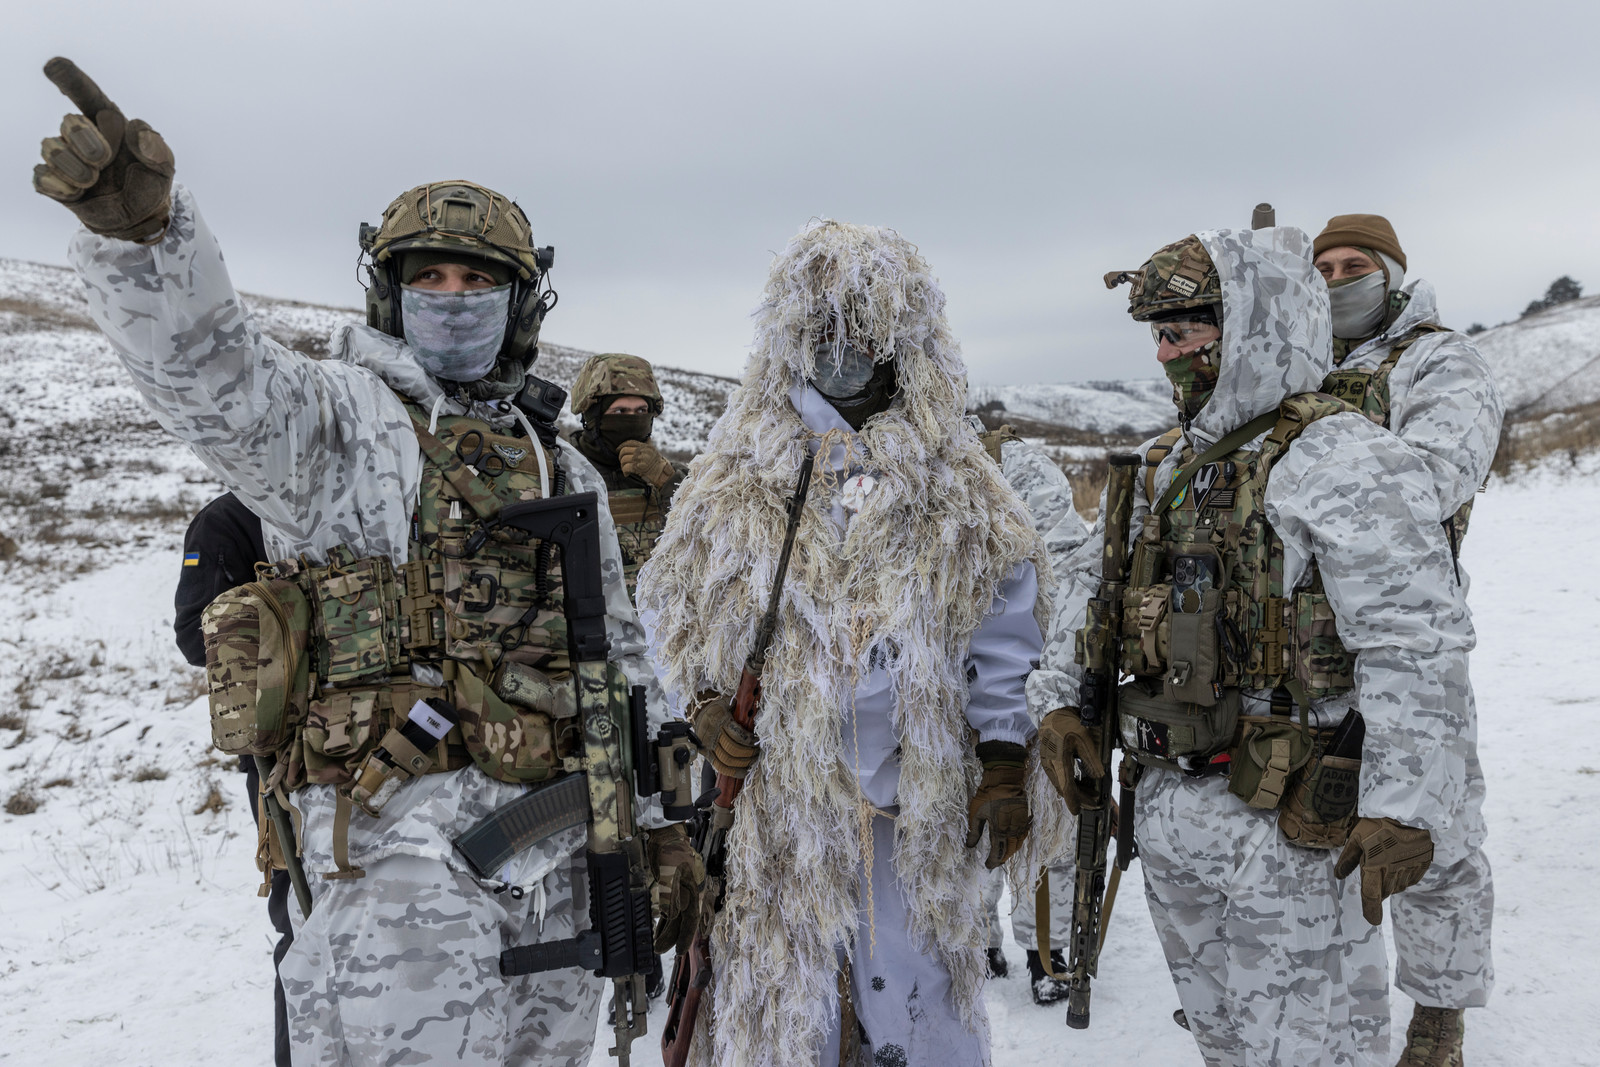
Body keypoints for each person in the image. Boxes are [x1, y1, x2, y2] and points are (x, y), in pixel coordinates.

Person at [33, 58, 697, 1067]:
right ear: (387, 293)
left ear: (523, 303)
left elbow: (621, 658)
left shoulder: (558, 462)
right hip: (395, 867)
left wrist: (651, 822)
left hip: (562, 854)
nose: (453, 297)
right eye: (427, 276)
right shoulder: (330, 424)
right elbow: (206, 367)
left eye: (479, 281)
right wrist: (144, 241)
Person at [1033, 225, 1475, 1066]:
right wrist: (1059, 701)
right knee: (1224, 1044)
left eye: (1185, 331)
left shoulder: (1341, 458)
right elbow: (1096, 593)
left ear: (1252, 330)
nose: (1167, 354)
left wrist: (1406, 804)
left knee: (1315, 1052)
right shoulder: (1169, 467)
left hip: (1290, 830)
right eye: (1158, 334)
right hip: (1170, 810)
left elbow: (1417, 640)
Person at [637, 220, 1072, 1066]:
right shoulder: (738, 473)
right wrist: (701, 703)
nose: (843, 353)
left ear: (901, 340)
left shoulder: (957, 480)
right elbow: (668, 610)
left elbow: (1004, 632)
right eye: (823, 333)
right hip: (780, 822)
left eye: (862, 334)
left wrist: (1005, 755)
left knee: (921, 1015)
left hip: (913, 821)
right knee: (785, 1014)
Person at [1313, 214, 1502, 1067]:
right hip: (1309, 644)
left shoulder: (1438, 360)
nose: (1336, 279)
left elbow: (1431, 479)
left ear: (1391, 273)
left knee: (1436, 830)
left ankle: (1439, 1009)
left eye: (1355, 265)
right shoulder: (1298, 363)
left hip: (1408, 628)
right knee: (1311, 819)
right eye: (1322, 267)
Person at [969, 416, 1088, 1002]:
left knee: (1048, 824)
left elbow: (1066, 562)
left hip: (1035, 674)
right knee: (967, 820)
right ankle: (979, 938)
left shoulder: (1017, 467)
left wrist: (1061, 665)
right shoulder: (910, 464)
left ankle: (1047, 949)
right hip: (952, 689)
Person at [174, 493, 288, 1067]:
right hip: (282, 759)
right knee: (304, 924)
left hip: (386, 742)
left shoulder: (355, 499)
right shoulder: (228, 520)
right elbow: (196, 637)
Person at [569, 353, 688, 597]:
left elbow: (716, 536)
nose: (633, 421)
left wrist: (667, 481)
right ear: (592, 416)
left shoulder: (671, 476)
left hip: (658, 626)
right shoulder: (560, 473)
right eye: (620, 411)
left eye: (642, 410)